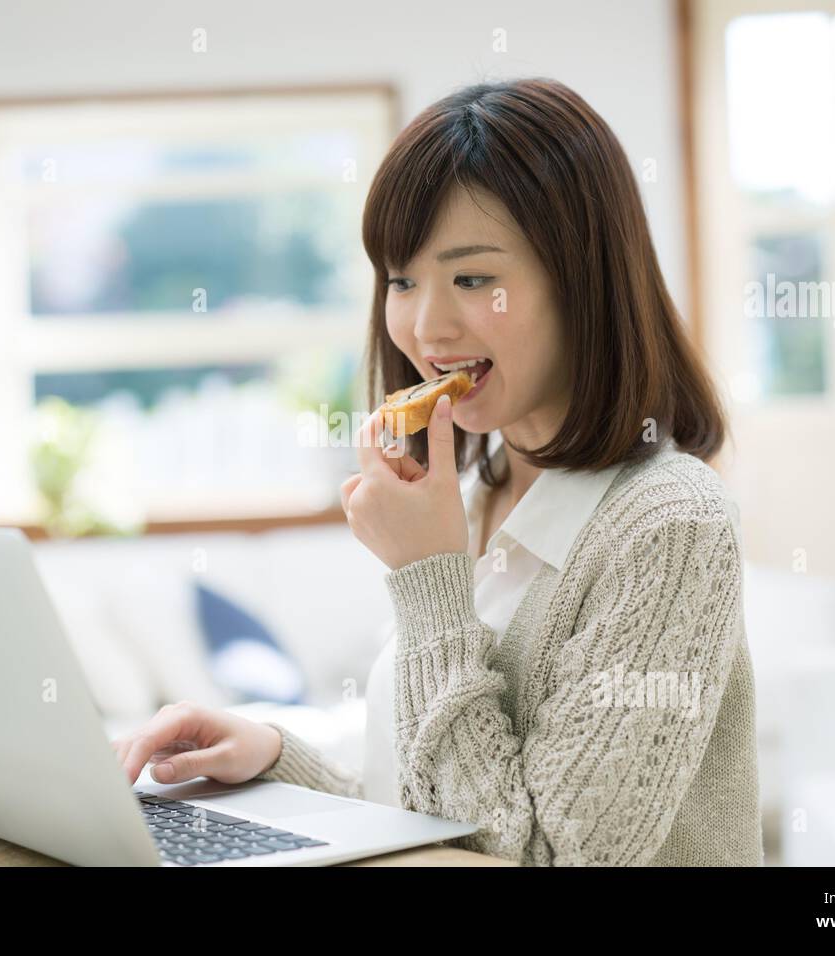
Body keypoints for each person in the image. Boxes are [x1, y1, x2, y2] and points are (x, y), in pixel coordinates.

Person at [112, 77, 763, 866]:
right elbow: (437, 802)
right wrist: (275, 755)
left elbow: (541, 857)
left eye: (473, 279)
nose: (425, 326)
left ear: (584, 281)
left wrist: (429, 577)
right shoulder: (478, 489)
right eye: (401, 279)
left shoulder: (670, 522)